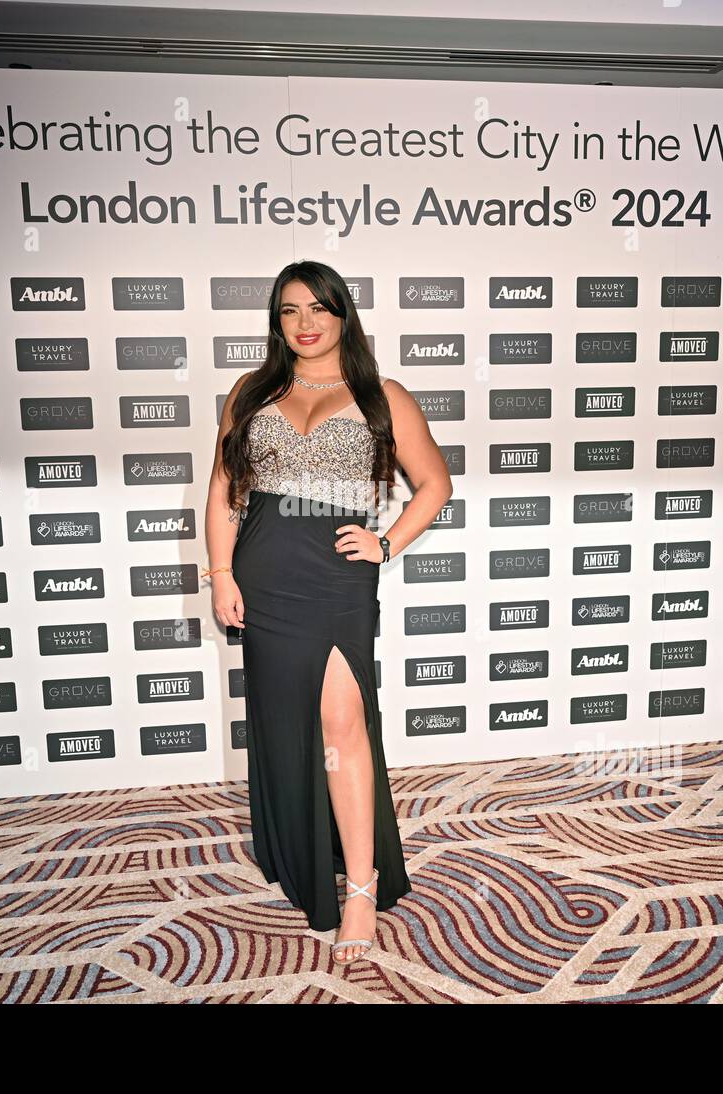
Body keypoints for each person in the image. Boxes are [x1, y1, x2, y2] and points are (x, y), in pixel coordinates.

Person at [203, 260, 452, 964]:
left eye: (319, 308)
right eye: (290, 311)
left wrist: (387, 542)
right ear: (276, 322)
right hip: (264, 570)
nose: (305, 323)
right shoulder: (251, 392)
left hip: (337, 581)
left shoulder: (381, 394)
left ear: (343, 314)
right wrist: (221, 573)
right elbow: (225, 488)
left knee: (343, 723)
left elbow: (436, 482)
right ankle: (299, 853)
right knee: (284, 722)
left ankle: (363, 888)